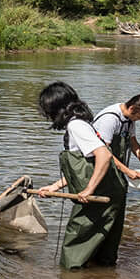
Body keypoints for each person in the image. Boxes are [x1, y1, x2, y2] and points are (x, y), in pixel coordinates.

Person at [36, 81, 130, 268]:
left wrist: (89, 189)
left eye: (47, 110)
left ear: (57, 108)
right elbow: (86, 166)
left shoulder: (76, 127)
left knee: (74, 251)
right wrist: (55, 186)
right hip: (112, 190)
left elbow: (103, 156)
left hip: (100, 194)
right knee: (102, 253)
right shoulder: (82, 124)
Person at [93, 91, 140, 177]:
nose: (137, 120)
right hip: (96, 166)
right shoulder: (110, 119)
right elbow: (104, 151)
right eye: (138, 117)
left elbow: (133, 143)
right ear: (132, 109)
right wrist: (127, 171)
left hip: (114, 166)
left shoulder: (130, 118)